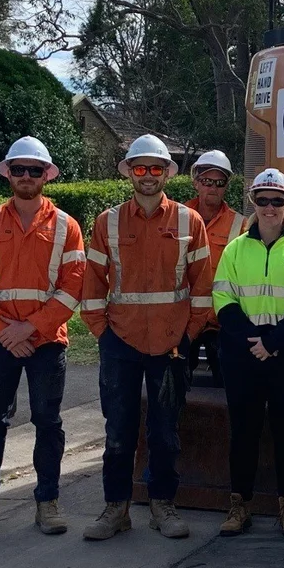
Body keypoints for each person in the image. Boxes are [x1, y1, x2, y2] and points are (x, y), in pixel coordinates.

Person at [80, 134, 213, 543]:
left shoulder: (191, 223)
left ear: (167, 174)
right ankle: (116, 509)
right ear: (130, 173)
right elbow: (92, 287)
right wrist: (105, 336)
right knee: (118, 431)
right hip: (121, 342)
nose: (149, 176)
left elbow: (203, 290)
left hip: (172, 345)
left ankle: (163, 507)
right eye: (141, 168)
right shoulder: (109, 222)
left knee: (165, 432)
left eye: (156, 168)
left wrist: (187, 337)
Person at [0, 137, 86, 536]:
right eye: (18, 169)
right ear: (8, 174)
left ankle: (47, 502)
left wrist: (29, 328)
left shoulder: (67, 226)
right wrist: (5, 330)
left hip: (44, 341)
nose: (26, 176)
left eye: (34, 170)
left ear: (47, 175)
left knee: (48, 421)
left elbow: (72, 287)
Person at [211, 168, 284, 538]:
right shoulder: (234, 249)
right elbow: (223, 299)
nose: (270, 207)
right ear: (253, 202)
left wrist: (272, 343)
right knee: (243, 432)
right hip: (243, 356)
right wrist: (254, 341)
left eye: (278, 200)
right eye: (263, 200)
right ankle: (239, 505)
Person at [186, 149, 247, 387]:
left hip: (221, 321)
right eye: (207, 181)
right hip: (185, 318)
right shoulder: (177, 218)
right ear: (196, 183)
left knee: (228, 386)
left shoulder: (239, 224)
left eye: (219, 183)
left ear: (226, 186)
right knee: (176, 386)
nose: (213, 187)